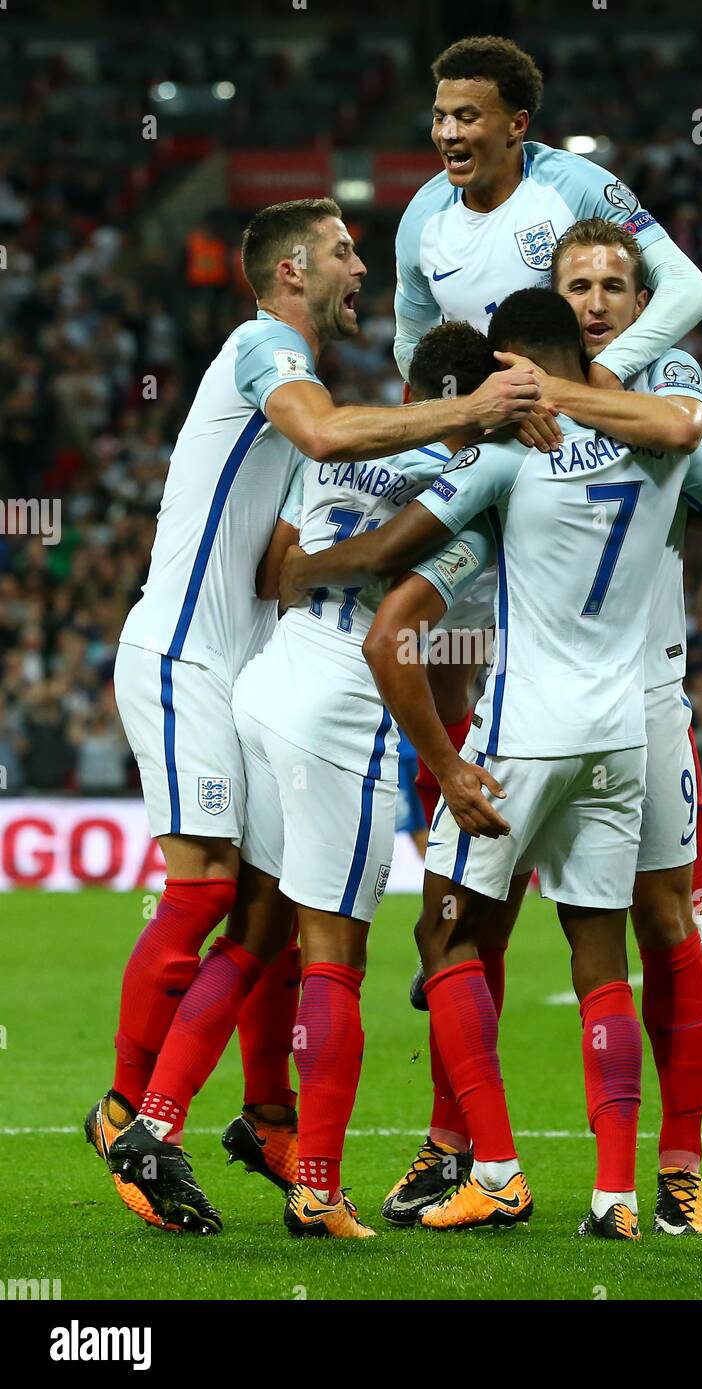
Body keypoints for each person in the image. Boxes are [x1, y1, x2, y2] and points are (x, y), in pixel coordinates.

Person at [89, 197, 541, 1234]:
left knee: (266, 922)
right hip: (206, 661)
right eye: (344, 253)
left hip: (260, 669)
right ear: (291, 269)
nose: (360, 270)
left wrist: (333, 567)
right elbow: (367, 563)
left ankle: (255, 1115)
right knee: (266, 918)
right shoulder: (269, 353)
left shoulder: (332, 440)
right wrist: (479, 420)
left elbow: (279, 564)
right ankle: (148, 1121)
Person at [281, 286, 702, 1237]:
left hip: (520, 739)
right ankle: (615, 1199)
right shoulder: (663, 441)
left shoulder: (503, 459)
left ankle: (499, 1169)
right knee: (602, 958)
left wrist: (299, 572)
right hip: (620, 737)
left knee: (445, 941)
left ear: (515, 369)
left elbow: (391, 571)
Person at [393, 34, 702, 907]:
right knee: (429, 649)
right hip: (494, 457)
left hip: (594, 452)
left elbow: (686, 288)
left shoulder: (570, 186)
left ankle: (675, 883)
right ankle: (453, 895)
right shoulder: (422, 217)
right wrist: (455, 423)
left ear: (516, 123)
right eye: (439, 116)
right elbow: (410, 343)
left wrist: (601, 378)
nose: (449, 132)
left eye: (467, 115)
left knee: (635, 658)